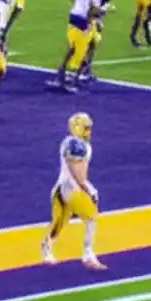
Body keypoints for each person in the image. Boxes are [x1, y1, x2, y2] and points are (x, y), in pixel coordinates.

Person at [41, 112, 107, 270]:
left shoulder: (68, 141)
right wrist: (89, 189)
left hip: (61, 188)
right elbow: (78, 173)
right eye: (86, 128)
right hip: (73, 189)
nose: (89, 132)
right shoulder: (78, 146)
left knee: (60, 221)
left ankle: (46, 246)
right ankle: (88, 255)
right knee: (91, 218)